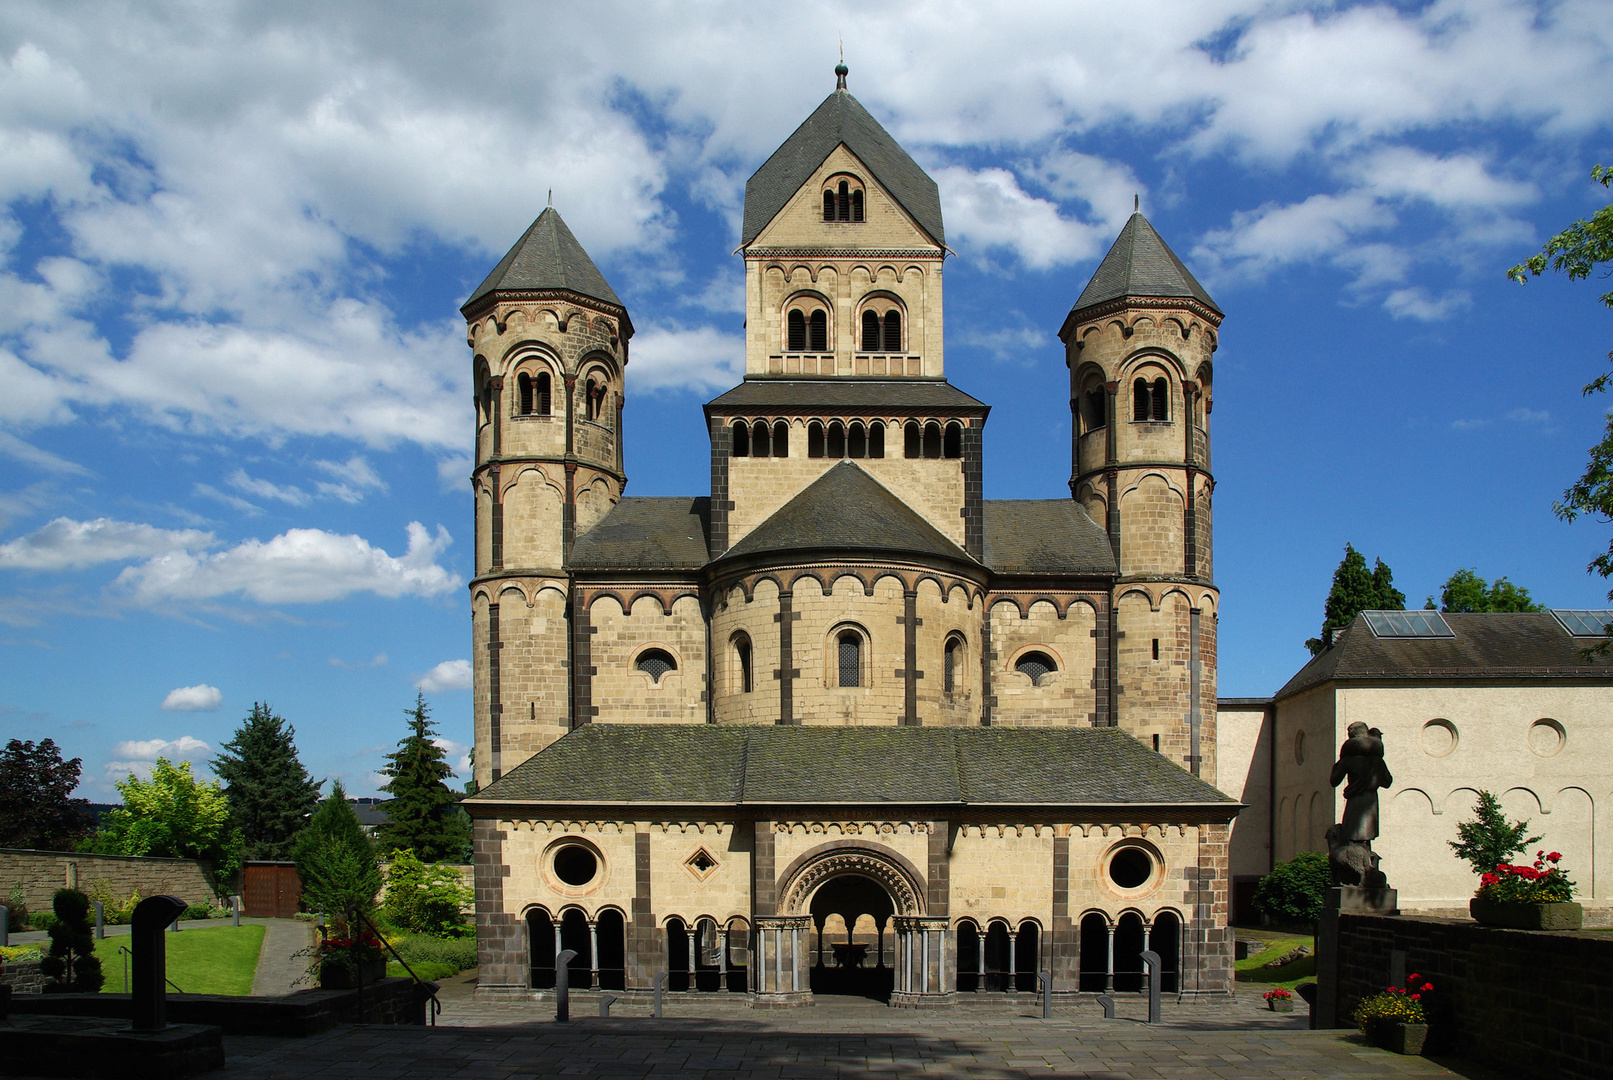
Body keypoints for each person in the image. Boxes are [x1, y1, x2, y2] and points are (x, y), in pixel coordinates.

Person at [1330, 722, 1392, 843]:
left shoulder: (1348, 760)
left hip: (1355, 801)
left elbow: (1334, 781)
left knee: (1351, 837)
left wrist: (1338, 765)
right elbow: (1387, 782)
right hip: (1371, 801)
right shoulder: (1377, 761)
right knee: (1366, 839)